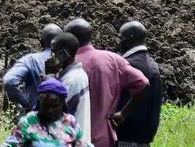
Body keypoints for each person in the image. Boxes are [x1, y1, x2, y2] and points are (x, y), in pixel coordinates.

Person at [62, 19, 147, 147]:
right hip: (104, 137)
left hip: (72, 137)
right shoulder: (113, 59)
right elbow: (143, 83)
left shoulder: (67, 64)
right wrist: (123, 114)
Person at [2, 79, 86, 147]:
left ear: (62, 105)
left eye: (54, 106)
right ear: (39, 103)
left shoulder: (70, 122)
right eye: (45, 106)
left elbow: (82, 144)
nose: (50, 110)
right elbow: (11, 143)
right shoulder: (28, 121)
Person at [115, 22, 160, 147]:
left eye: (120, 38)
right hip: (142, 137)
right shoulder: (151, 64)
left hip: (126, 137)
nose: (118, 42)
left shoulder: (129, 65)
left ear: (130, 39)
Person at [2, 24, 62, 113]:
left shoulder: (30, 60)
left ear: (41, 42)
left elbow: (9, 82)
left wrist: (26, 104)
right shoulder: (71, 61)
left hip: (36, 118)